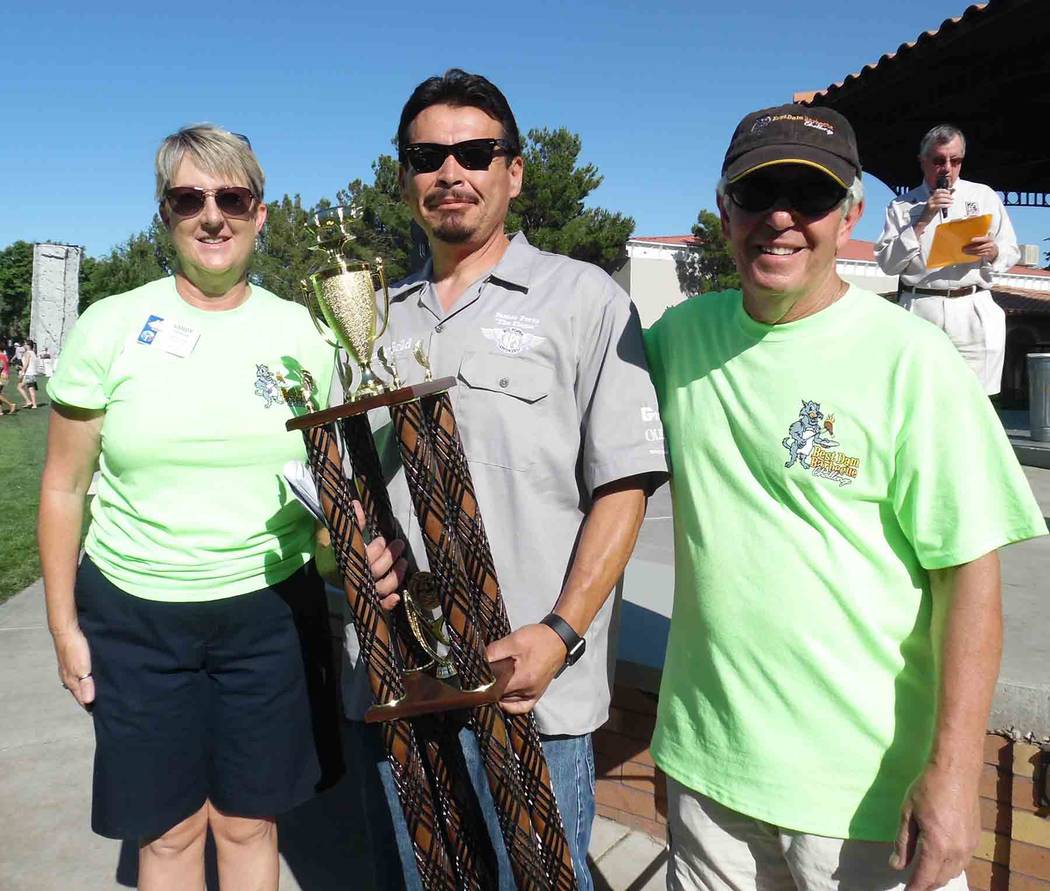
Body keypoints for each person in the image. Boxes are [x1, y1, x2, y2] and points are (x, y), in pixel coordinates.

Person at [644, 104, 1047, 891]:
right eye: (759, 194)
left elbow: (971, 581)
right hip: (706, 776)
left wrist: (955, 776)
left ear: (852, 213)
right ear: (725, 209)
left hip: (865, 802)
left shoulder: (915, 361)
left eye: (811, 195)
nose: (782, 218)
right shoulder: (677, 340)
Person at [340, 68, 667, 891]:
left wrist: (560, 633)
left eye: (476, 151)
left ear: (513, 171)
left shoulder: (584, 300)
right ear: (405, 176)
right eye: (427, 156)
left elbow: (623, 487)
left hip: (528, 685)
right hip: (406, 684)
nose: (451, 172)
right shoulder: (372, 315)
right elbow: (350, 480)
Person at [38, 123, 343, 891]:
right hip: (138, 615)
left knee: (248, 822)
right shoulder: (109, 324)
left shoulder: (306, 331)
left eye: (231, 197)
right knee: (170, 833)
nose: (213, 215)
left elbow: (332, 483)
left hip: (269, 612)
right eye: (189, 198)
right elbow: (63, 486)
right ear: (165, 213)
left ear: (260, 212)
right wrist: (63, 625)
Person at [875, 124, 1019, 395]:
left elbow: (1010, 249)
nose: (947, 168)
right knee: (920, 395)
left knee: (977, 400)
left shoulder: (983, 196)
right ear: (923, 162)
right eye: (939, 161)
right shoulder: (902, 206)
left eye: (955, 161)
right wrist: (922, 220)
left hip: (971, 306)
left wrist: (994, 252)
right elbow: (888, 264)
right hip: (920, 307)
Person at [17, 338, 40, 408]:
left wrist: (21, 372)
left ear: (28, 345)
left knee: (19, 387)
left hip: (28, 373)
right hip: (32, 373)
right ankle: (34, 404)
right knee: (31, 388)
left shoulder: (27, 353)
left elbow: (26, 364)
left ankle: (28, 401)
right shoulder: (33, 353)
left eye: (24, 344)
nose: (24, 345)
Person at [0, 349, 15, 414]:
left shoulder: (0, 355)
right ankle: (0, 411)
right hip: (6, 375)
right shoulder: (5, 355)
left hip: (2, 375)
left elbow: (0, 366)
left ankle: (10, 404)